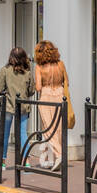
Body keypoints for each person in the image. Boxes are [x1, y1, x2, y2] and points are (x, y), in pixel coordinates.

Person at [32, 40, 68, 169]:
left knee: (48, 129)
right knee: (58, 128)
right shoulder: (61, 64)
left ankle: (59, 155)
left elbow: (38, 87)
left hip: (46, 95)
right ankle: (50, 159)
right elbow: (66, 82)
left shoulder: (39, 67)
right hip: (60, 94)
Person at [0, 48, 34, 162]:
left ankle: (2, 162)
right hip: (23, 107)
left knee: (5, 134)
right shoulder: (28, 73)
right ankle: (26, 162)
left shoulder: (5, 70)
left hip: (8, 106)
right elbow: (31, 91)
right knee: (22, 134)